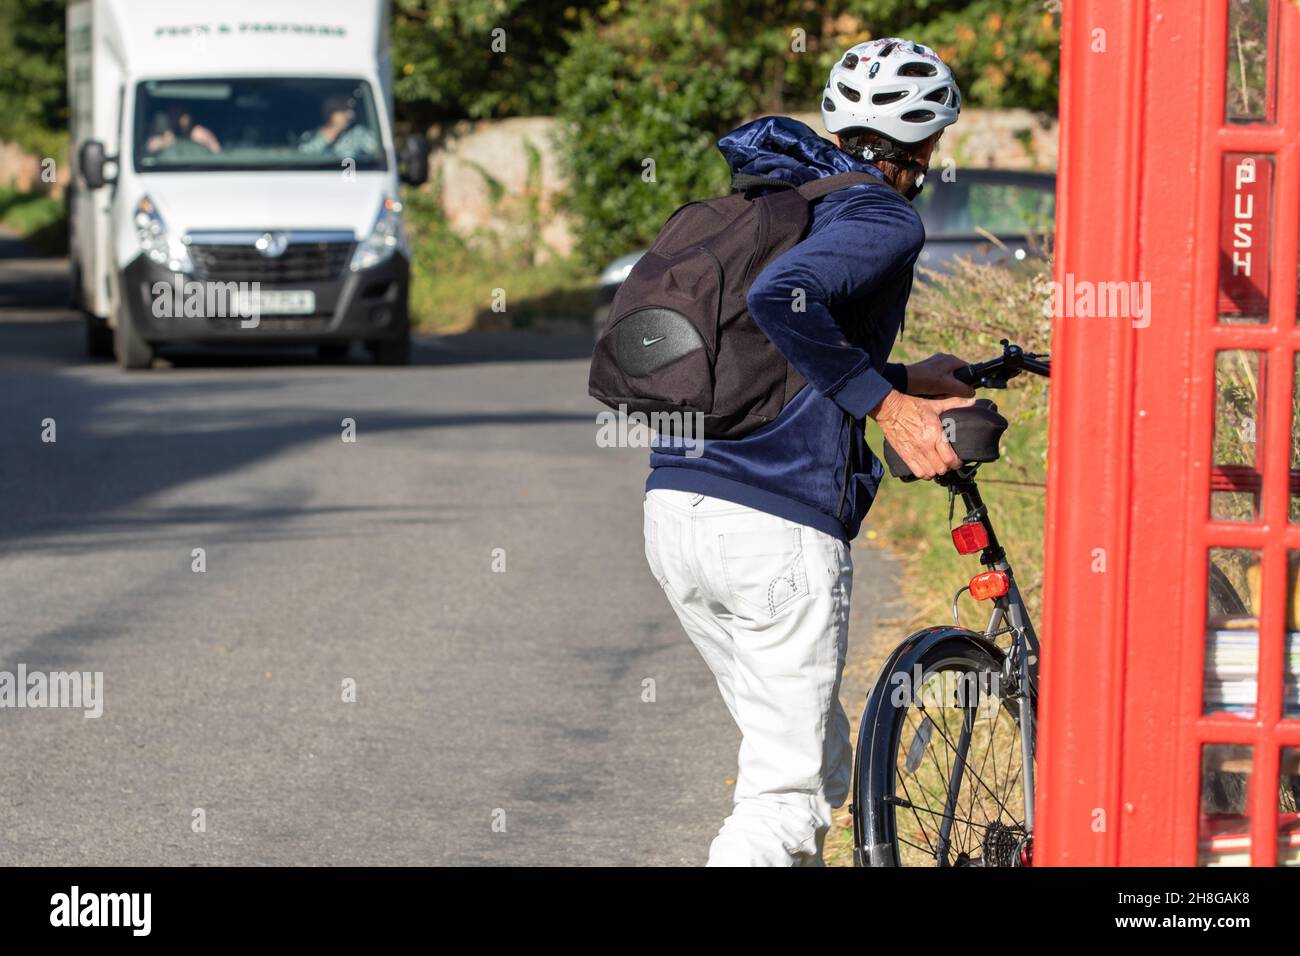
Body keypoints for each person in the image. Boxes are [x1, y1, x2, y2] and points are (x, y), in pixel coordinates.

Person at [642, 37, 975, 866]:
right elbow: (781, 300)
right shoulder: (880, 214)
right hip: (772, 528)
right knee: (782, 804)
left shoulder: (786, 196)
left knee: (819, 762)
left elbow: (773, 347)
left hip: (678, 513)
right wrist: (889, 405)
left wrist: (898, 373)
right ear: (929, 143)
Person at [298, 94, 379, 159]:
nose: (350, 115)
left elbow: (377, 152)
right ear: (331, 113)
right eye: (344, 110)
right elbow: (301, 156)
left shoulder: (359, 134)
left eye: (350, 110)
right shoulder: (310, 136)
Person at [146, 104, 221, 154]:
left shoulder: (199, 133)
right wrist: (164, 141)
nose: (184, 119)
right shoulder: (166, 134)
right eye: (175, 114)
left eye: (184, 114)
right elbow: (150, 149)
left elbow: (216, 151)